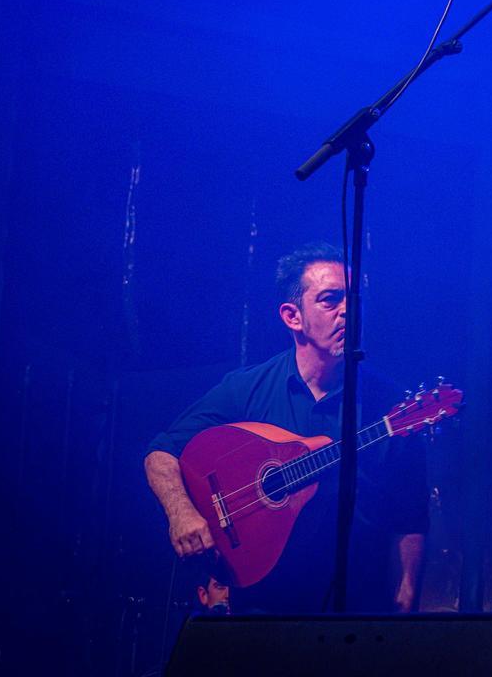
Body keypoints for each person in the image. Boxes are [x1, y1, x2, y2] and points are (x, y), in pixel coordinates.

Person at [144, 242, 428, 613]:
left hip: (355, 603)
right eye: (330, 300)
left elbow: (411, 512)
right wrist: (182, 514)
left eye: (354, 299)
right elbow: (161, 454)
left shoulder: (392, 406)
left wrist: (407, 594)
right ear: (293, 317)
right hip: (262, 602)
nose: (348, 310)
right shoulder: (247, 388)